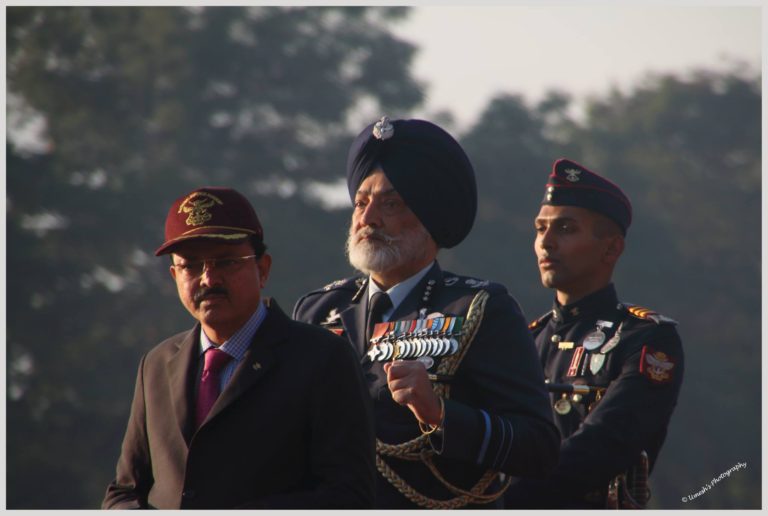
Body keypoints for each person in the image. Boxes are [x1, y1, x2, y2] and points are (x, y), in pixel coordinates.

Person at [293, 117, 559, 509]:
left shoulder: (479, 309)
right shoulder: (317, 310)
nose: (368, 219)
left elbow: (538, 447)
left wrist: (439, 415)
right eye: (362, 203)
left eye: (391, 204)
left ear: (430, 218)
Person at [102, 187, 375, 509]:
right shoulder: (157, 364)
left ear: (262, 269)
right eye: (191, 266)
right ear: (174, 275)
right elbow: (124, 491)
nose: (208, 279)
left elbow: (349, 495)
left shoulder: (320, 358)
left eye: (226, 262)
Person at [504, 158, 684, 509]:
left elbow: (605, 444)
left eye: (565, 229)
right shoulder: (524, 340)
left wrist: (502, 504)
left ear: (612, 248)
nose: (546, 243)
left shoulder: (645, 338)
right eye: (540, 229)